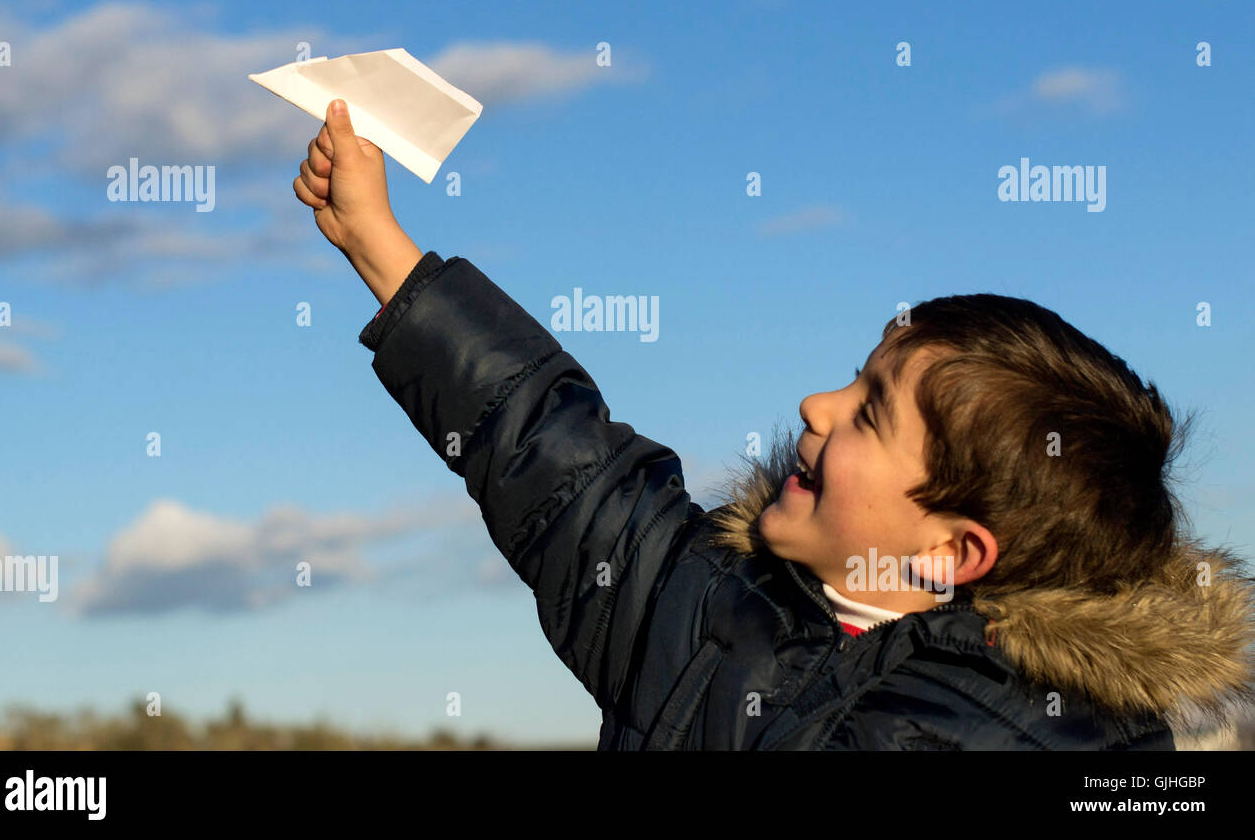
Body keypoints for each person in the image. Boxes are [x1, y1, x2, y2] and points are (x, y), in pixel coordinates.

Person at [293, 99, 1255, 749]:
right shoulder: (705, 606)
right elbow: (561, 464)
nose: (817, 408)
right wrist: (382, 246)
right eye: (852, 379)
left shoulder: (1059, 736)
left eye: (870, 414)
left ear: (956, 549)